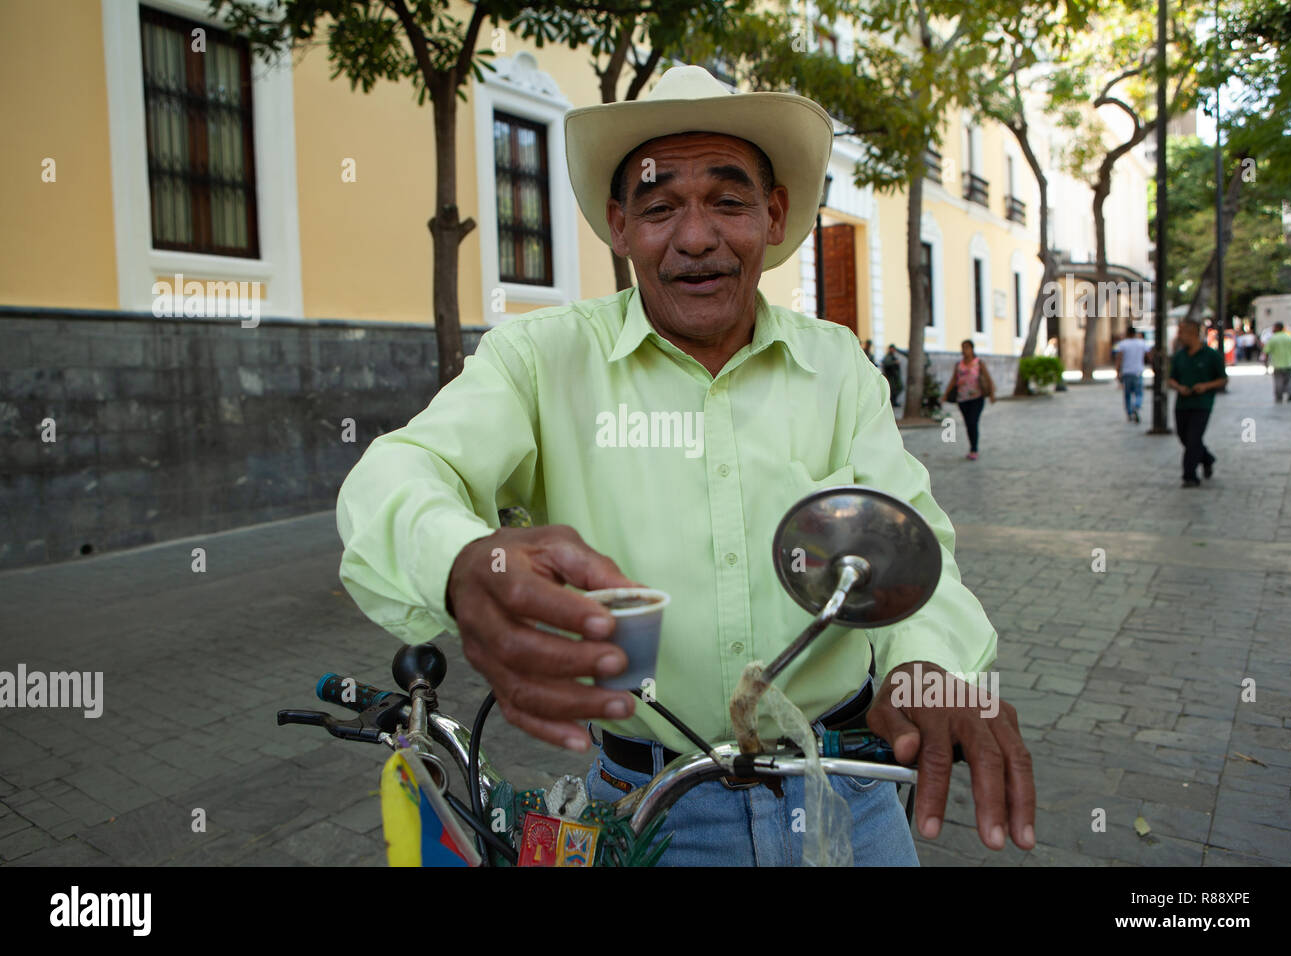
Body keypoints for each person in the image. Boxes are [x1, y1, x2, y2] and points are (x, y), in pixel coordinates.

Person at [335, 65, 1033, 866]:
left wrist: (931, 666)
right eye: (660, 206)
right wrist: (460, 563)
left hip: (849, 799)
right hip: (644, 816)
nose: (695, 237)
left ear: (772, 216)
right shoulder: (541, 358)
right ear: (618, 225)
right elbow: (401, 471)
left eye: (728, 202)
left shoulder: (837, 366)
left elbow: (908, 543)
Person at [1168, 318, 1229, 487]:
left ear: (1192, 333)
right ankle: (1207, 459)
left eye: (1182, 332)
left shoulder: (1211, 355)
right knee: (1184, 437)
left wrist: (1206, 386)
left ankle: (1189, 475)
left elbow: (1223, 380)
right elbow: (1171, 379)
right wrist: (1179, 387)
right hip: (1182, 404)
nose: (1179, 336)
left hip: (1202, 404)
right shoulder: (1180, 356)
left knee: (1194, 438)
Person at [944, 339, 996, 460]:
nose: (965, 350)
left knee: (973, 422)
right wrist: (946, 394)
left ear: (972, 349)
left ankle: (974, 449)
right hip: (962, 399)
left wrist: (992, 394)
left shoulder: (979, 363)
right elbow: (953, 380)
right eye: (963, 347)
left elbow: (988, 378)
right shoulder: (959, 365)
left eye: (967, 347)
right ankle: (972, 446)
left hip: (977, 398)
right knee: (968, 424)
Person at [1112, 325, 1149, 423]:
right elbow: (1148, 355)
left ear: (1127, 333)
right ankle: (1136, 406)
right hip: (1138, 371)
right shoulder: (1141, 343)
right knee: (1139, 393)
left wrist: (1117, 371)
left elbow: (1119, 358)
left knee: (1127, 395)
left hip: (1127, 372)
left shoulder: (1123, 344)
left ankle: (1129, 413)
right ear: (1135, 334)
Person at [1262, 321, 1291, 403]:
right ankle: (1290, 392)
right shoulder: (1289, 338)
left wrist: (1265, 363)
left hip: (1277, 365)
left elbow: (1266, 352)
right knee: (1289, 380)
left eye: (1274, 328)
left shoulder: (1273, 339)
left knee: (1278, 382)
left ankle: (1279, 396)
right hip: (1288, 364)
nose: (1272, 329)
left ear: (1277, 328)